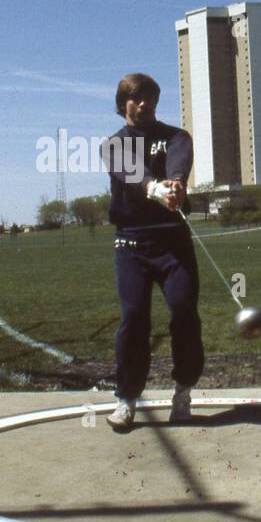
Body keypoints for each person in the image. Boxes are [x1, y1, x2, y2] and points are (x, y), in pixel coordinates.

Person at [99, 72, 204, 431]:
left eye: (150, 98)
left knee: (184, 311)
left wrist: (175, 183)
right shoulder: (114, 144)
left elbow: (179, 157)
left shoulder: (175, 136)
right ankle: (126, 399)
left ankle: (183, 390)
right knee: (134, 319)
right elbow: (131, 174)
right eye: (136, 97)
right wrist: (153, 188)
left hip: (173, 243)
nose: (144, 104)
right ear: (122, 103)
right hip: (131, 245)